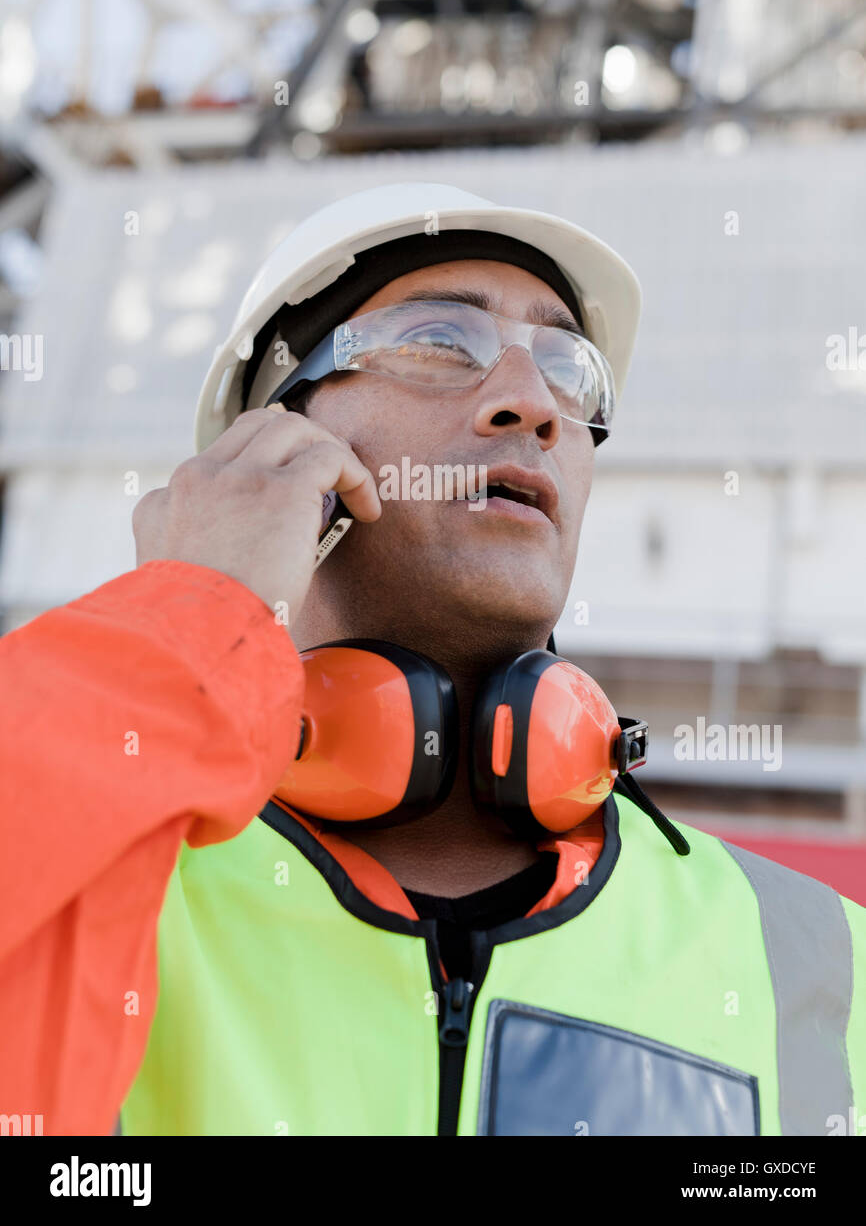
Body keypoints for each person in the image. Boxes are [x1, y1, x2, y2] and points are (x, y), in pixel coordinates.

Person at [0, 182, 863, 1138]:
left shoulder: (818, 958)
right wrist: (190, 616)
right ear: (273, 449)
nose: (533, 404)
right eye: (444, 343)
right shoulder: (121, 884)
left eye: (569, 371)